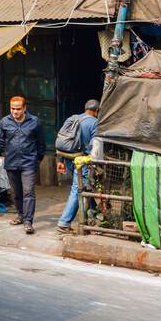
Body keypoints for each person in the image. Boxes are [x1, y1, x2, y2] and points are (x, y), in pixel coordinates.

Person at [0, 94, 47, 234]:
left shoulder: (35, 121)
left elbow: (41, 143)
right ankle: (20, 215)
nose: (15, 112)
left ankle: (28, 221)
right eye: (12, 108)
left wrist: (37, 159)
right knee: (16, 193)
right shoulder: (5, 122)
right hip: (11, 162)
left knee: (28, 192)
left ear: (24, 108)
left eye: (18, 109)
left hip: (29, 163)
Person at [56, 98, 101, 233]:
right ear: (97, 111)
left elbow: (62, 137)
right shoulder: (95, 123)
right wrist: (98, 165)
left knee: (85, 189)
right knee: (78, 190)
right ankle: (64, 223)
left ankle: (91, 217)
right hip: (83, 163)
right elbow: (95, 147)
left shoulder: (73, 118)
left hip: (69, 159)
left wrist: (60, 160)